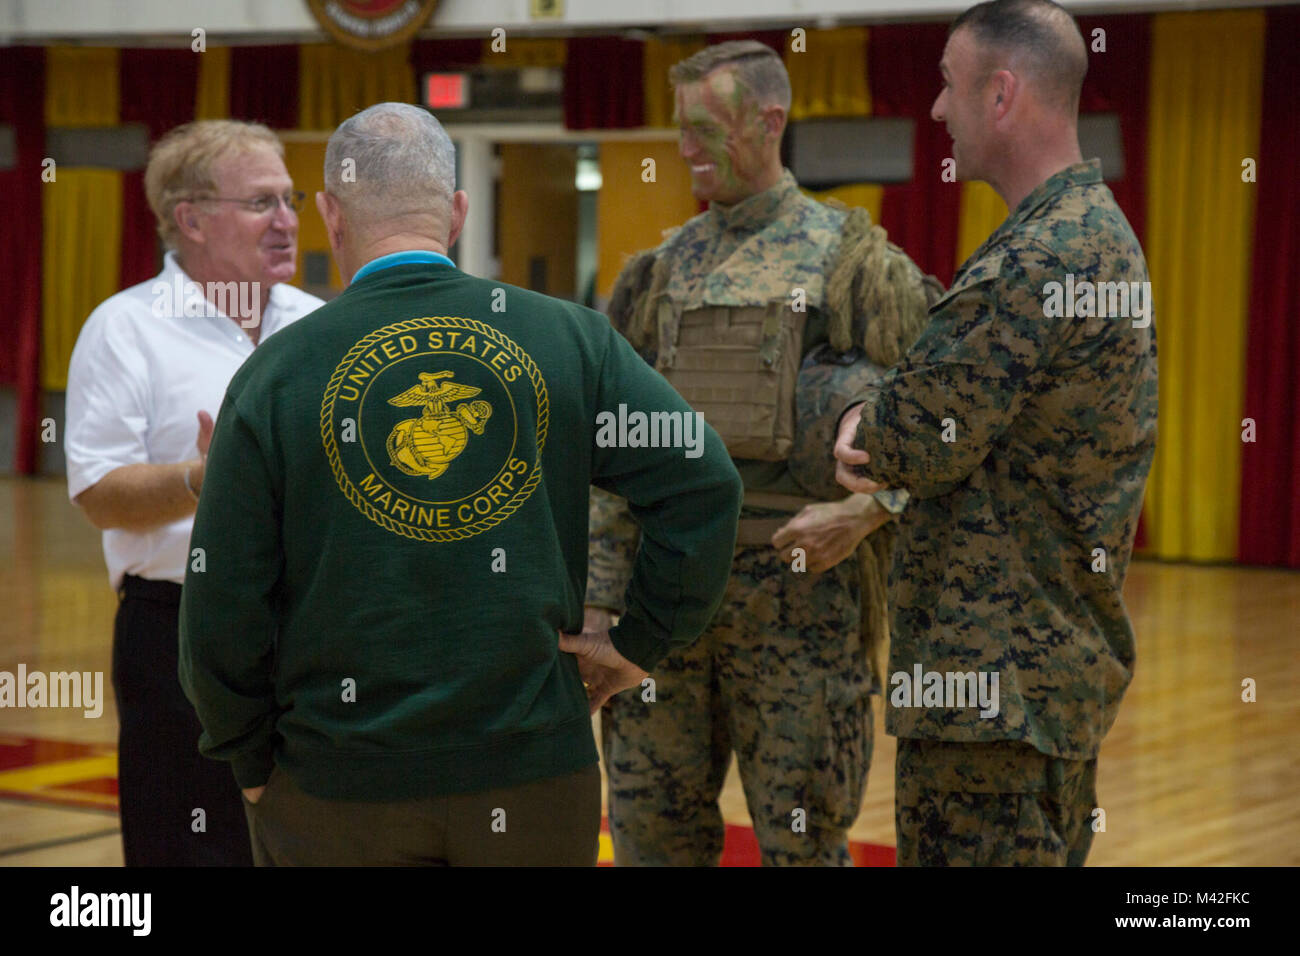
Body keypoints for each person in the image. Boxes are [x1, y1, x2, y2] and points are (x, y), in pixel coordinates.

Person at [177, 102, 742, 867]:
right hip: (533, 778)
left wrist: (245, 756)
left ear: (331, 215)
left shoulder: (276, 374)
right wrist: (638, 641)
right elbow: (705, 482)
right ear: (456, 211)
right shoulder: (570, 339)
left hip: (336, 786)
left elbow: (220, 601)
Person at [587, 40, 938, 866]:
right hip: (665, 598)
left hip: (800, 603)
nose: (685, 151)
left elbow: (937, 432)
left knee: (804, 842)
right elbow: (606, 454)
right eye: (681, 130)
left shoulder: (855, 264)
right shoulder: (655, 274)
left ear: (768, 120)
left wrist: (867, 512)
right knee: (649, 837)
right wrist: (600, 602)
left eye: (705, 130)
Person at [835, 0, 1158, 866]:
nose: (938, 109)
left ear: (1002, 92)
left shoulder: (1034, 260)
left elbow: (901, 440)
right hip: (1042, 684)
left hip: (991, 698)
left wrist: (856, 412)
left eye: (948, 84)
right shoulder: (1095, 236)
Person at [65, 120, 323, 866]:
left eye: (290, 198)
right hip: (179, 631)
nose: (285, 221)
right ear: (191, 219)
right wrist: (201, 483)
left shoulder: (318, 326)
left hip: (309, 627)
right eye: (260, 203)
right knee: (187, 848)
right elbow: (99, 492)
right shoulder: (125, 330)